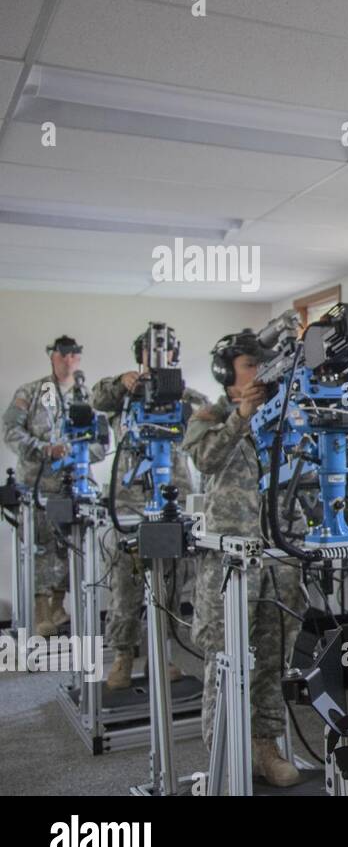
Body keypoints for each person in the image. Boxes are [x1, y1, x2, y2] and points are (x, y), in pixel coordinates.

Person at [182, 330, 303, 787]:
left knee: (273, 657)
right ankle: (225, 758)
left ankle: (266, 747)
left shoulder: (282, 412)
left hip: (278, 551)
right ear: (226, 373)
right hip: (230, 558)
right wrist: (241, 417)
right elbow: (206, 460)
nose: (258, 372)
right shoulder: (209, 415)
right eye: (249, 365)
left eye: (261, 363)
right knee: (226, 659)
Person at [93, 328, 211, 691]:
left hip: (174, 500)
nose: (159, 355)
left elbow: (208, 419)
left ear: (175, 355)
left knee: (172, 582)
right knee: (126, 583)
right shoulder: (124, 394)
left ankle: (163, 652)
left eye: (166, 350)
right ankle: (123, 655)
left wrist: (177, 393)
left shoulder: (188, 396)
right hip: (130, 503)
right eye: (151, 350)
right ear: (140, 354)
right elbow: (97, 397)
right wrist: (123, 382)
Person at [2, 336, 107, 637]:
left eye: (73, 355)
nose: (68, 360)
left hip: (75, 488)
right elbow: (10, 431)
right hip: (38, 488)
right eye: (63, 355)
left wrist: (77, 453)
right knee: (39, 547)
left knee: (71, 547)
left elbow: (102, 442)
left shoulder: (87, 396)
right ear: (53, 357)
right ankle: (41, 612)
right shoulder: (32, 392)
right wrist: (45, 449)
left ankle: (59, 606)